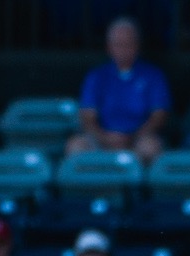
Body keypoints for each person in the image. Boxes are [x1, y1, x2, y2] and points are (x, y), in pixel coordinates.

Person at [68, 17, 170, 162]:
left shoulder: (153, 75)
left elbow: (159, 116)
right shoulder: (97, 76)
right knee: (76, 146)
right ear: (109, 47)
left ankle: (138, 185)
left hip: (138, 139)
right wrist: (105, 138)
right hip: (103, 139)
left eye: (128, 44)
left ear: (137, 46)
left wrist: (132, 137)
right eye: (118, 44)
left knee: (149, 147)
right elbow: (87, 117)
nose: (123, 50)